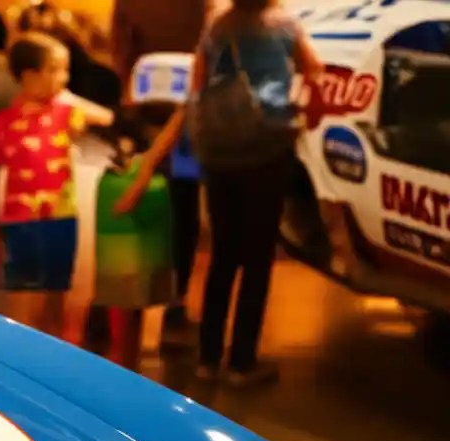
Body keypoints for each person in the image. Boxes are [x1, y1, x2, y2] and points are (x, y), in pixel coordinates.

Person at [115, 0, 323, 386]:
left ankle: (208, 359)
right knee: (257, 258)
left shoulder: (217, 25)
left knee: (224, 255)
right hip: (266, 149)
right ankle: (242, 362)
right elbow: (315, 72)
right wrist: (304, 115)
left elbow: (197, 87)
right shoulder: (286, 25)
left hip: (221, 153)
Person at [0, 33, 113, 340]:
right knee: (22, 301)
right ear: (29, 76)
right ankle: (18, 358)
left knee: (58, 296)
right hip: (19, 223)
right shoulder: (3, 124)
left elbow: (107, 117)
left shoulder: (65, 112)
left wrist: (67, 99)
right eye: (55, 70)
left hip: (61, 220)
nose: (64, 78)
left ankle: (53, 358)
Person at [111, 0, 217, 336]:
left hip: (144, 111)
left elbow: (121, 49)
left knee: (138, 209)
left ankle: (126, 305)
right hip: (188, 115)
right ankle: (174, 305)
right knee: (182, 214)